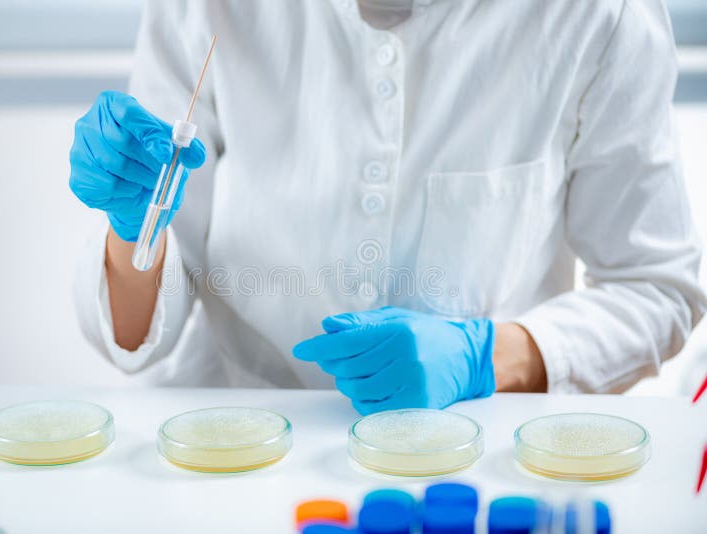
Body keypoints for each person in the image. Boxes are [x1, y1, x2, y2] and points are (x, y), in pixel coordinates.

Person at [69, 0, 705, 413]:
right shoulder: (205, 9)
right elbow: (138, 334)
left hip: (470, 456)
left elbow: (657, 287)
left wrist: (495, 357)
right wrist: (133, 231)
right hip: (228, 439)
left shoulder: (596, 15)